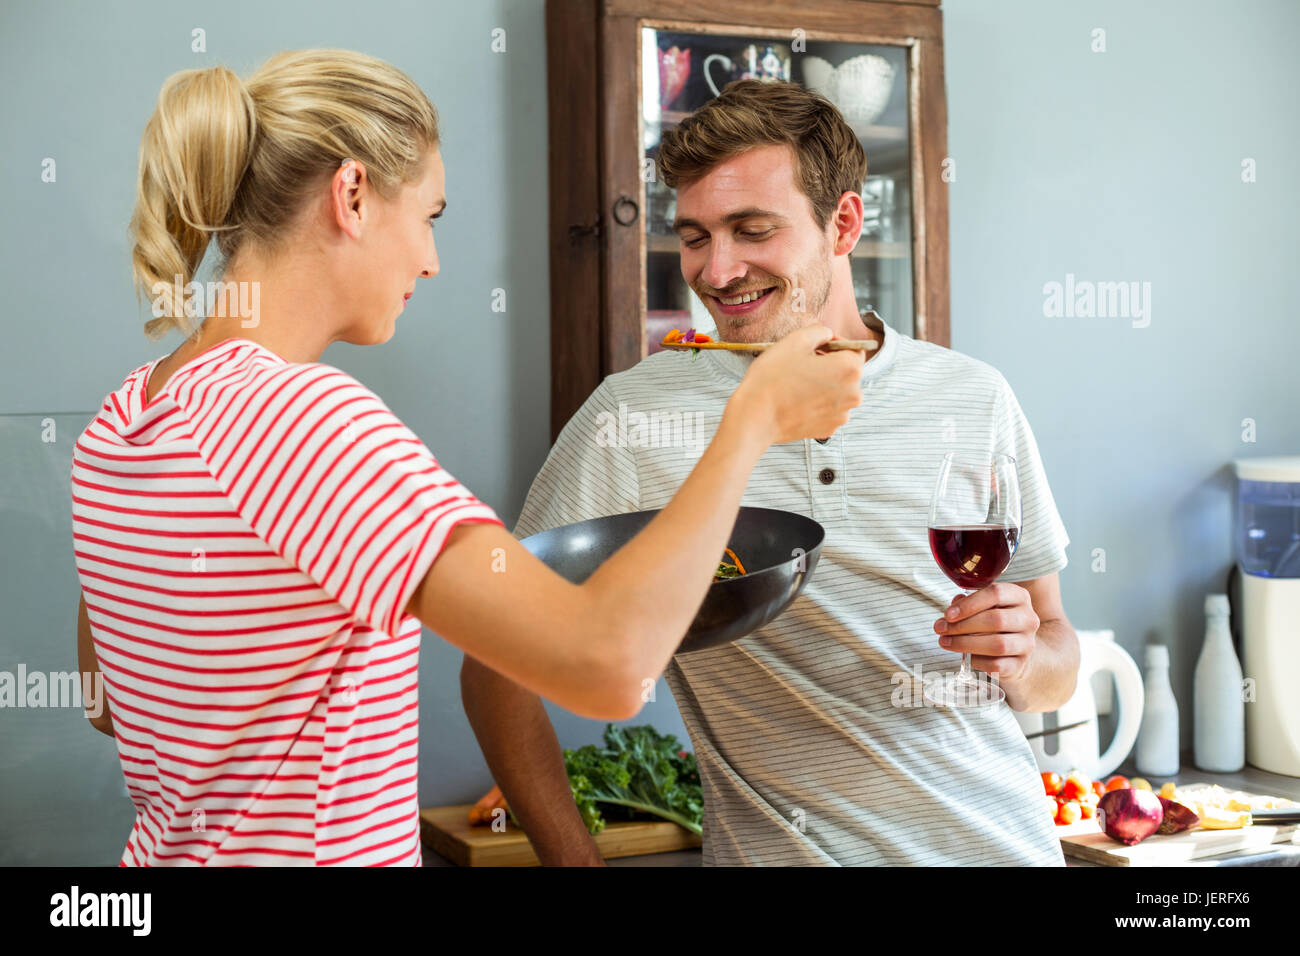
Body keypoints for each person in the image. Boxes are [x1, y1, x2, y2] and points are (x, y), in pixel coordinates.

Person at [71, 52, 864, 866]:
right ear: (351, 196)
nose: (431, 260)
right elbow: (611, 668)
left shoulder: (129, 413)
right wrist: (753, 419)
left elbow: (107, 698)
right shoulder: (309, 422)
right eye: (430, 217)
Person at [463, 80, 1081, 866]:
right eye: (694, 237)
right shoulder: (633, 415)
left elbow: (1057, 647)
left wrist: (1027, 659)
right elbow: (493, 666)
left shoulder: (974, 396)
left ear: (844, 224)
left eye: (752, 230)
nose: (718, 272)